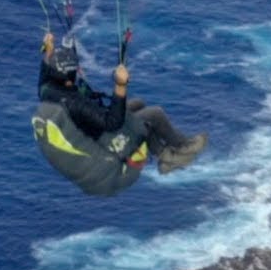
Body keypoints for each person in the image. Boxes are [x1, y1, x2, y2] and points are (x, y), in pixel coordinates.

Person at [40, 32, 207, 174]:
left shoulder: (49, 89)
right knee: (154, 114)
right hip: (103, 138)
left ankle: (164, 159)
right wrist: (120, 85)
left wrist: (49, 51)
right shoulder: (74, 102)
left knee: (138, 104)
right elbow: (112, 123)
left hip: (92, 126)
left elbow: (45, 76)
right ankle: (180, 149)